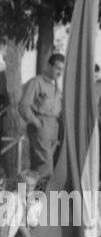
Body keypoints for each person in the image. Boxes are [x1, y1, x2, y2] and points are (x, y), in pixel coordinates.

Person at [17, 52, 64, 183]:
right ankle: (44, 197)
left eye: (62, 70)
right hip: (41, 124)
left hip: (54, 126)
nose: (60, 72)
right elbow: (23, 106)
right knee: (46, 166)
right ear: (49, 66)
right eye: (58, 68)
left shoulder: (56, 86)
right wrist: (37, 123)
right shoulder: (37, 82)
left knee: (40, 166)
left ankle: (31, 197)